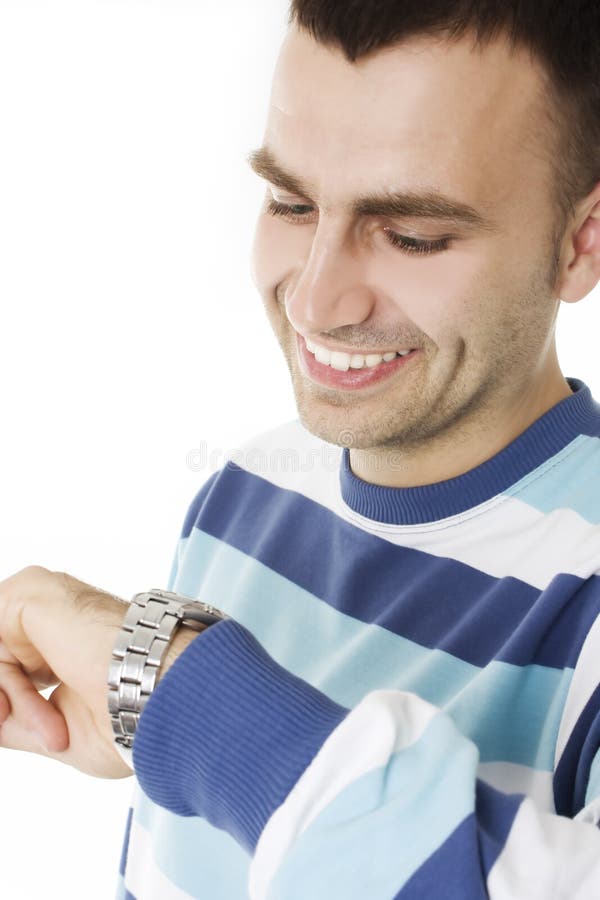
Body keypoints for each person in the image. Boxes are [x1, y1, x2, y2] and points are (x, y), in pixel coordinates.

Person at [1, 1, 600, 897]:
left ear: (580, 244)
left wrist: (176, 688)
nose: (317, 302)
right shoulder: (241, 492)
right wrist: (156, 724)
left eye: (412, 234)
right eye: (290, 201)